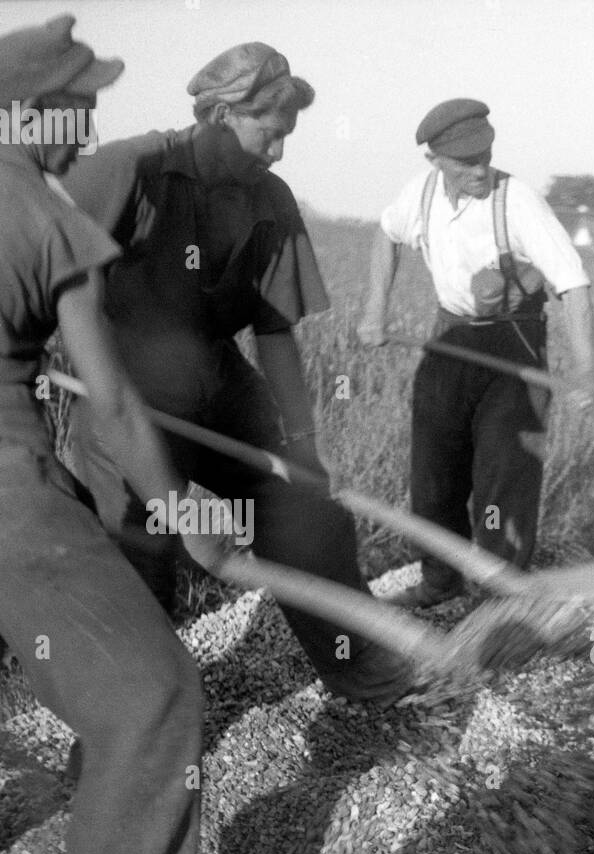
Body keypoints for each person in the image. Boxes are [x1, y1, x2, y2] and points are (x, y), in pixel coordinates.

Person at [0, 14, 256, 854]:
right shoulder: (44, 210)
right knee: (154, 695)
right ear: (32, 114)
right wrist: (189, 513)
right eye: (79, 107)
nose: (89, 127)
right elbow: (110, 400)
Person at [58, 42, 422, 705]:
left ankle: (357, 666)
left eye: (287, 137)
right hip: (121, 392)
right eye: (271, 133)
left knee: (307, 512)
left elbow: (275, 329)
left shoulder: (269, 197)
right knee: (140, 552)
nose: (280, 151)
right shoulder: (126, 170)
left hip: (217, 379)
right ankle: (129, 721)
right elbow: (38, 267)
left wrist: (303, 445)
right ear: (223, 113)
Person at [359, 99, 594, 607]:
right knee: (432, 475)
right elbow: (386, 235)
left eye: (485, 155)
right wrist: (374, 310)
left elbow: (572, 283)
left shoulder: (518, 201)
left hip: (515, 345)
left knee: (504, 476)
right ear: (435, 161)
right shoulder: (419, 193)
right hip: (451, 339)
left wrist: (586, 371)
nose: (480, 169)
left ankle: (499, 604)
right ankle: (440, 582)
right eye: (466, 162)